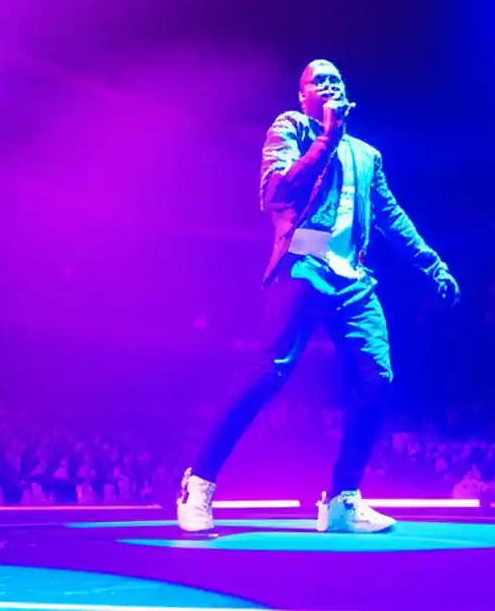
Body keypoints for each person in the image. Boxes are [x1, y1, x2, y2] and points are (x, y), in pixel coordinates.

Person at [177, 59, 459, 533]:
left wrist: (433, 264)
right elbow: (276, 193)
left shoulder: (368, 156)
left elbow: (392, 218)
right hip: (306, 256)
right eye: (318, 82)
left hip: (354, 276)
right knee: (269, 372)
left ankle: (344, 500)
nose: (329, 87)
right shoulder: (292, 129)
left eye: (337, 81)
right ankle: (199, 482)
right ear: (303, 95)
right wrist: (326, 138)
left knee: (377, 377)